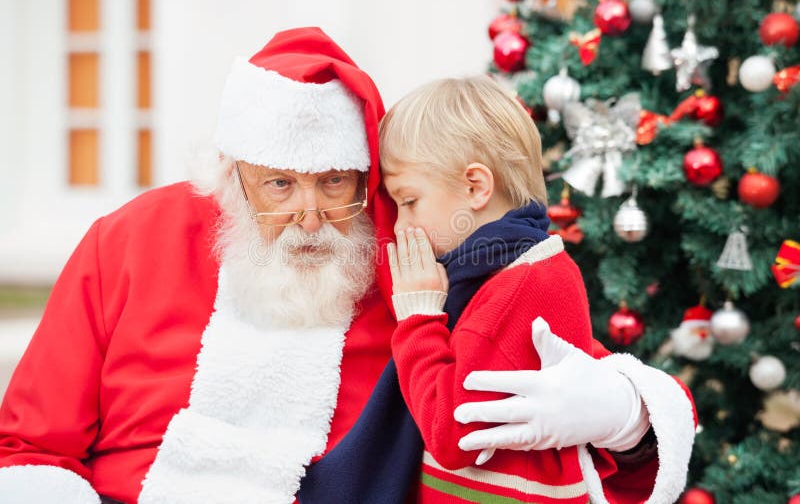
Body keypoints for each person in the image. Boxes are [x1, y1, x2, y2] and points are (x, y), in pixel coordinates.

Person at [0, 28, 695, 504]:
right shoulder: (128, 242)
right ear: (232, 176)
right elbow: (29, 446)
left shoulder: (414, 254)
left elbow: (566, 369)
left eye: (334, 184)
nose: (310, 215)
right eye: (279, 185)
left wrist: (625, 414)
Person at [382, 75, 658, 503]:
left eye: (409, 201)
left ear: (475, 187)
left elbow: (452, 434)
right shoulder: (517, 269)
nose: (400, 226)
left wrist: (418, 318)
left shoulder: (517, 284)